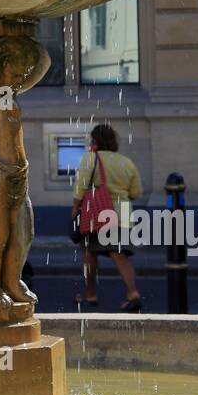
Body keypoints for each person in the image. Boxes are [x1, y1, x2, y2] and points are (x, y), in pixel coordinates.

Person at [73, 122, 144, 312]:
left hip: (96, 214)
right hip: (122, 214)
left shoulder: (91, 159)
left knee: (89, 253)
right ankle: (132, 293)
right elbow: (136, 192)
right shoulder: (125, 162)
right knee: (119, 255)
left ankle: (90, 294)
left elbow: (80, 188)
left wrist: (74, 209)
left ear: (94, 140)